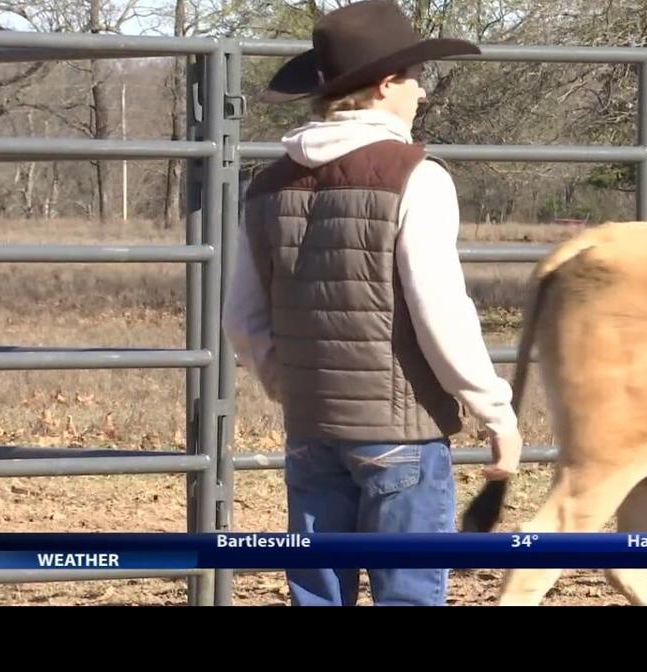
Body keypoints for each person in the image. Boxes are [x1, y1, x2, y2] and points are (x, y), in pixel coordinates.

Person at [224, 0, 523, 606]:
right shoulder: (415, 176)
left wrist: (294, 385)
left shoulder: (266, 184)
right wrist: (495, 410)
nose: (420, 93)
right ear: (385, 85)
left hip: (310, 428)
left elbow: (241, 317)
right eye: (414, 80)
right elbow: (439, 307)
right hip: (402, 433)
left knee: (318, 594)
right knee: (408, 593)